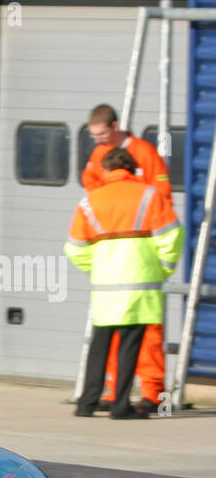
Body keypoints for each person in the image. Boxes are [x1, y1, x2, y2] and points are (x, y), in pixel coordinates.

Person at [65, 147, 183, 419]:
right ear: (133, 169)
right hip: (141, 283)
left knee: (100, 344)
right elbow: (172, 236)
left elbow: (74, 247)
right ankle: (121, 405)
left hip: (106, 285)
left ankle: (86, 403)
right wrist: (163, 269)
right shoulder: (150, 196)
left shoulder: (89, 201)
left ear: (107, 170)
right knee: (130, 346)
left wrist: (94, 267)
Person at [81, 103, 172, 413]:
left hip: (139, 256)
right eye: (94, 135)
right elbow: (93, 196)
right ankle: (115, 391)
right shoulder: (98, 156)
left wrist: (161, 265)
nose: (98, 140)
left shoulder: (146, 153)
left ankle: (152, 392)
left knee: (146, 336)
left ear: (116, 126)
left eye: (102, 134)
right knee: (116, 336)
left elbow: (162, 201)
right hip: (115, 260)